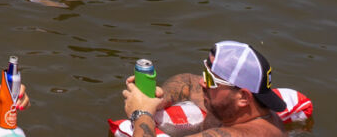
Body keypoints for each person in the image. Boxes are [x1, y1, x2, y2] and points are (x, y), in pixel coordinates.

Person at [120, 41, 287, 137]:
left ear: (243, 96)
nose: (202, 82)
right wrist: (160, 100)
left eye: (210, 79)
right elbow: (188, 80)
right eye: (205, 73)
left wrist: (141, 112)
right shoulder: (233, 106)